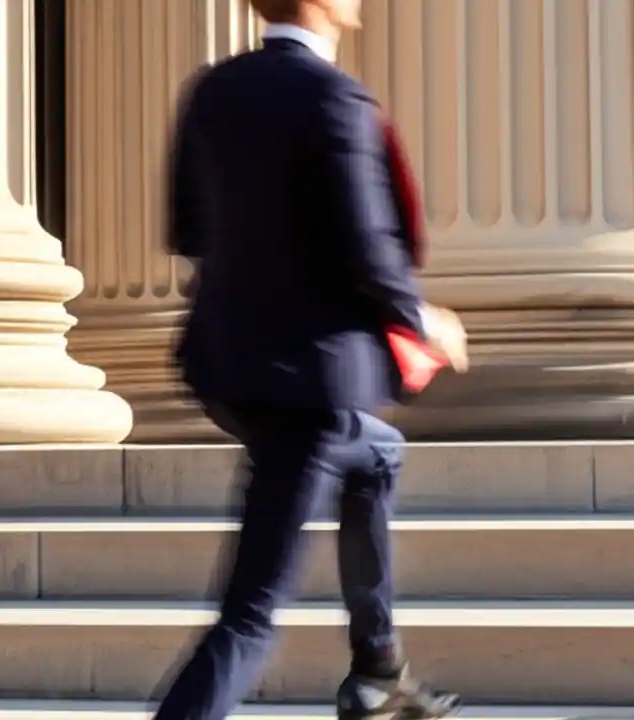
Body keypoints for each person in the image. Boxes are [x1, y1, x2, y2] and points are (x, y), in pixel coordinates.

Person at [155, 0, 468, 719]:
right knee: (249, 616)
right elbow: (369, 248)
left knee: (379, 453)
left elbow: (188, 229)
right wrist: (426, 320)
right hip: (309, 388)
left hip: (229, 369)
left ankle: (378, 668)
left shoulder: (213, 91)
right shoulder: (337, 98)